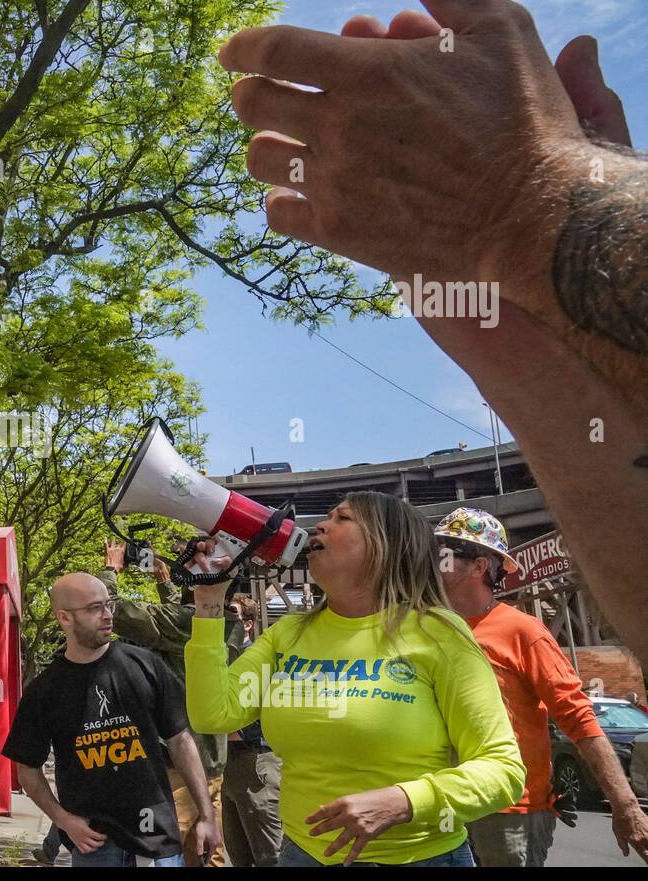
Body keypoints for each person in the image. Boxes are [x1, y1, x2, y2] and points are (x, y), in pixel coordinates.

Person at [219, 0, 648, 669]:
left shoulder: (504, 636)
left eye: (465, 554)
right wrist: (538, 355)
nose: (449, 564)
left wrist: (529, 196)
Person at [186, 491, 526, 866]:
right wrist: (208, 602)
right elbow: (214, 715)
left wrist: (405, 801)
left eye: (342, 518)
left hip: (418, 859)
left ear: (387, 544)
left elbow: (503, 771)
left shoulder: (440, 634)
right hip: (302, 855)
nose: (320, 525)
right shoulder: (288, 634)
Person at [435, 507, 648, 865]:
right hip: (443, 804)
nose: (431, 562)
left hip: (507, 811)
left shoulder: (523, 632)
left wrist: (625, 805)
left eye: (443, 554)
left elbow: (577, 716)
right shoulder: (430, 629)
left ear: (479, 566)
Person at [4, 573, 218, 868]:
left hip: (158, 837)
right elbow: (27, 767)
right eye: (95, 608)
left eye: (108, 605)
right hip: (95, 844)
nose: (107, 616)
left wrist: (207, 816)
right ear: (64, 618)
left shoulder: (145, 665)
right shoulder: (45, 691)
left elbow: (180, 739)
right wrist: (64, 820)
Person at [99, 538, 226, 866]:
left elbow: (110, 609)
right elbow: (180, 617)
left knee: (169, 845)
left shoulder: (183, 622)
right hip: (213, 756)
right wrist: (164, 581)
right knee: (210, 849)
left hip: (179, 762)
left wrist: (111, 569)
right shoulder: (225, 622)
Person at [221, 594, 284, 867]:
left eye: (232, 614)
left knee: (271, 856)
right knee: (239, 855)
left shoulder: (256, 659)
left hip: (255, 759)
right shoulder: (222, 656)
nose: (226, 620)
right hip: (229, 760)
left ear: (248, 623)